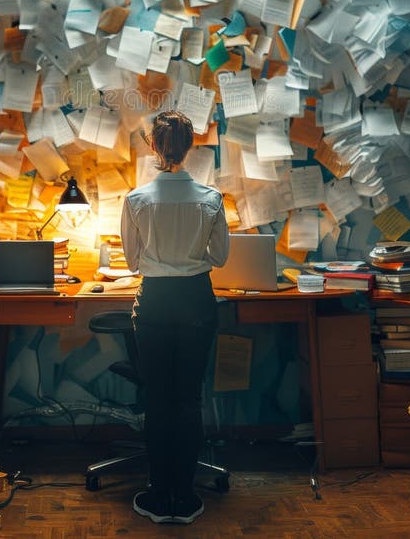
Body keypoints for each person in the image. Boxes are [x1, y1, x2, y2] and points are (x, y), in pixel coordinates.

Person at [121, 110, 229, 525]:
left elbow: (132, 263)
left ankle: (156, 493)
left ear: (153, 146)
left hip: (155, 302)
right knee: (189, 398)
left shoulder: (135, 200)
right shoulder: (211, 199)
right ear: (189, 147)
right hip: (196, 301)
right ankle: (183, 497)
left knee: (159, 400)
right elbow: (218, 258)